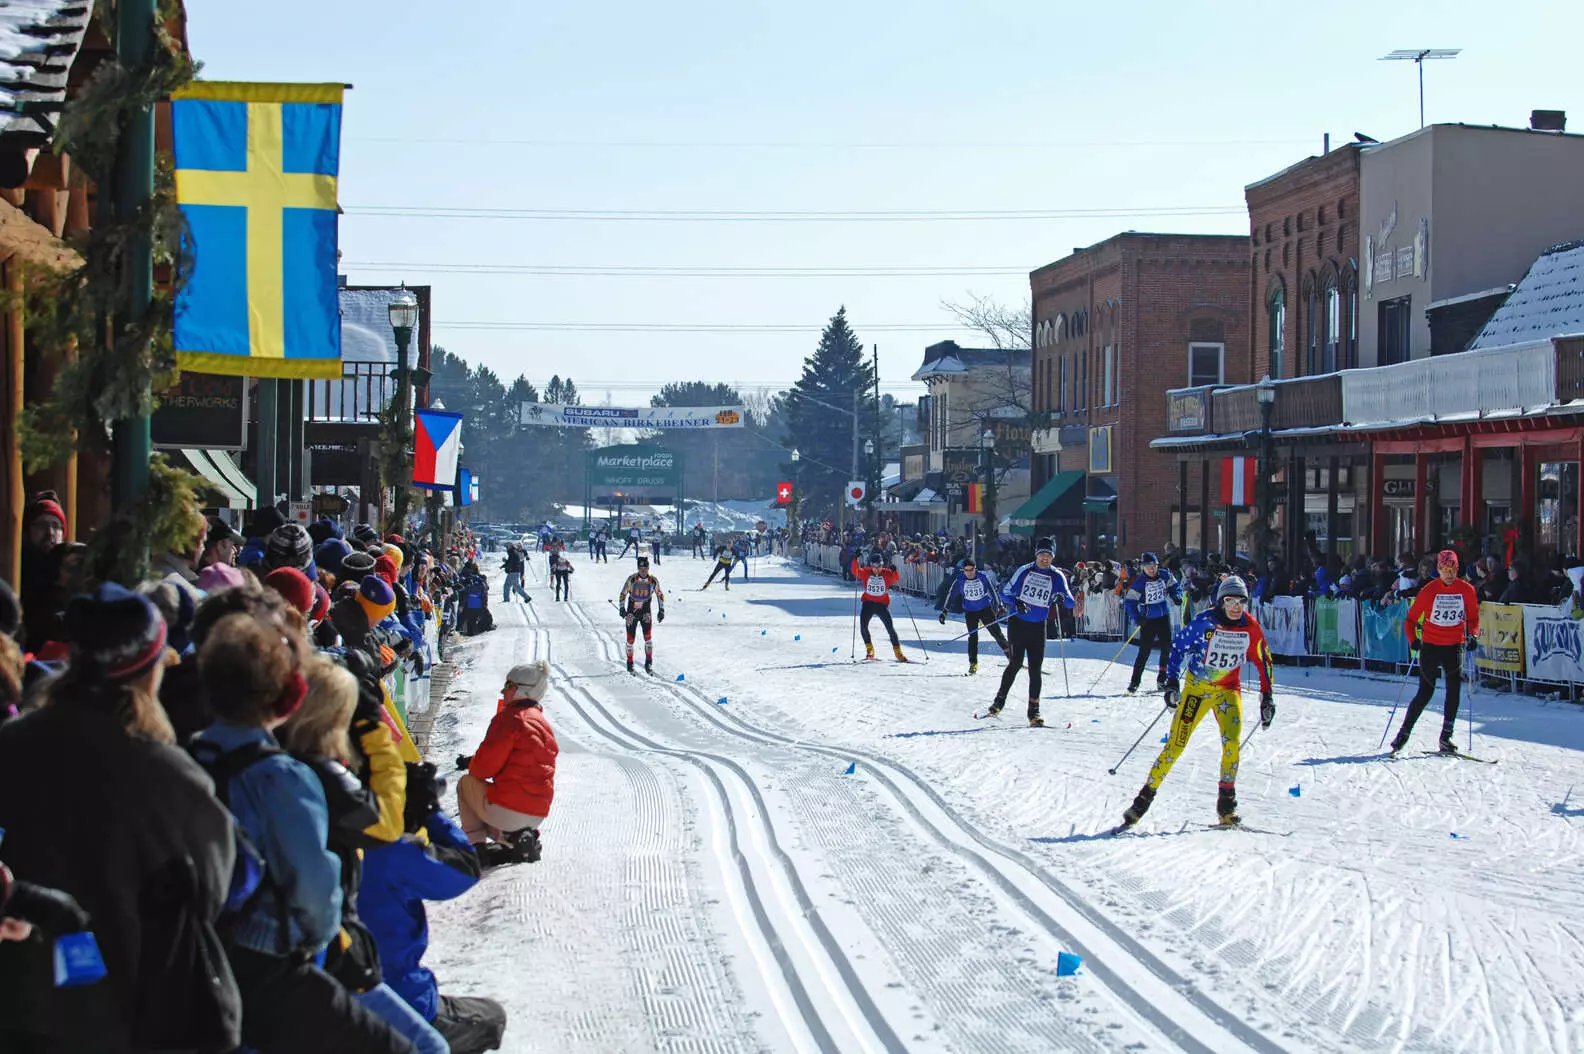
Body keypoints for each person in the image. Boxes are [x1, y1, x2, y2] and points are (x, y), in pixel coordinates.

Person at [0, 584, 242, 1054]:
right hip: (119, 1011)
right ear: (149, 674)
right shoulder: (171, 777)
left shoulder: (9, 744)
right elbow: (213, 892)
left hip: (15, 1006)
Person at [191, 613, 413, 1054]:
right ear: (286, 696)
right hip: (272, 957)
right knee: (419, 1046)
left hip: (202, 953)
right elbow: (315, 886)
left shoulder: (187, 753)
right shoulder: (283, 778)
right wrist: (319, 942)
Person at [360, 763, 507, 1054]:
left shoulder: (308, 841)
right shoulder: (390, 851)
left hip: (321, 1001)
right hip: (398, 998)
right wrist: (429, 811)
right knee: (492, 1018)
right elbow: (464, 869)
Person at [1120, 575, 1274, 830]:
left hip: (1227, 691)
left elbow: (1263, 659)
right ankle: (1143, 799)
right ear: (1220, 601)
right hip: (1197, 691)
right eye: (1230, 601)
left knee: (1232, 744)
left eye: (1241, 602)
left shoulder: (1250, 627)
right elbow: (1178, 648)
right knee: (1177, 744)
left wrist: (1267, 697)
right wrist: (1171, 682)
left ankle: (1227, 806)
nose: (1236, 607)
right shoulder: (1205, 622)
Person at [455, 660, 557, 867]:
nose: (503, 691)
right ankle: (516, 840)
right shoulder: (542, 723)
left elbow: (482, 769)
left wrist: (471, 763)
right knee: (498, 798)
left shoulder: (510, 719)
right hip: (538, 813)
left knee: (467, 784)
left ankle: (476, 847)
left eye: (509, 686)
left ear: (521, 690)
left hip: (509, 810)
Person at [1391, 549, 1480, 755]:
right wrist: (1414, 640)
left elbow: (1474, 618)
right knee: (1426, 691)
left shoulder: (1466, 590)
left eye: (1452, 570)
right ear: (1438, 570)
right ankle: (1403, 734)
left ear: (1457, 569)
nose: (1448, 574)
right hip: (1431, 645)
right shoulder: (1429, 591)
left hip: (1454, 645)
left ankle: (1445, 737)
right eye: (1444, 570)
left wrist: (1473, 635)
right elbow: (1411, 620)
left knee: (1453, 690)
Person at [987, 538, 1075, 726]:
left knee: (1036, 669)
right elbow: (1005, 592)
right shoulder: (1025, 570)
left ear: (1053, 557)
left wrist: (1061, 598)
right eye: (1042, 554)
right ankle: (999, 701)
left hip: (1038, 626)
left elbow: (1071, 601)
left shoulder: (1057, 576)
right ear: (1036, 555)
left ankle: (1033, 712)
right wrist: (1016, 601)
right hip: (1018, 623)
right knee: (1016, 662)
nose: (1045, 558)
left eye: (1049, 555)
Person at [1123, 552, 1184, 694]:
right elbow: (1130, 602)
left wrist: (1177, 596)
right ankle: (1134, 682)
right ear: (1143, 567)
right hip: (1148, 620)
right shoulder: (1140, 583)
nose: (1151, 569)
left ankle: (1162, 679)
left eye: (1154, 566)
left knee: (1166, 649)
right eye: (1148, 566)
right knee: (1144, 651)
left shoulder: (1165, 575)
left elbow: (1175, 587)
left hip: (1163, 616)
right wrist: (1137, 617)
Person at [939, 557, 1008, 674]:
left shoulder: (983, 577)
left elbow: (993, 591)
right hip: (970, 612)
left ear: (975, 569)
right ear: (963, 570)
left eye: (972, 570)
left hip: (985, 609)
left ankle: (1011, 657)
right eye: (967, 570)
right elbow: (951, 595)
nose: (970, 573)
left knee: (997, 633)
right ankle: (973, 663)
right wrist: (944, 611)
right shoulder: (960, 579)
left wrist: (1000, 606)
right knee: (973, 637)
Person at [853, 550, 908, 662]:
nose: (876, 569)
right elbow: (856, 571)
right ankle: (870, 650)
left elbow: (896, 578)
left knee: (890, 629)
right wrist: (855, 559)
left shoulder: (886, 573)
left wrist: (894, 570)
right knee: (863, 626)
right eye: (874, 566)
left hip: (882, 605)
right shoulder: (866, 572)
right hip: (868, 603)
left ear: (882, 565)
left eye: (879, 566)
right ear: (871, 565)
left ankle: (898, 652)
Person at [618, 555, 667, 673]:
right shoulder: (632, 579)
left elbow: (659, 594)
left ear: (648, 568)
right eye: (641, 568)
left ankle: (649, 663)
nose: (643, 570)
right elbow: (623, 593)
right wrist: (622, 608)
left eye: (645, 568)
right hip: (632, 611)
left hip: (645, 610)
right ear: (638, 568)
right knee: (630, 639)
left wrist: (661, 610)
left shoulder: (653, 580)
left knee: (648, 638)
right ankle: (630, 663)